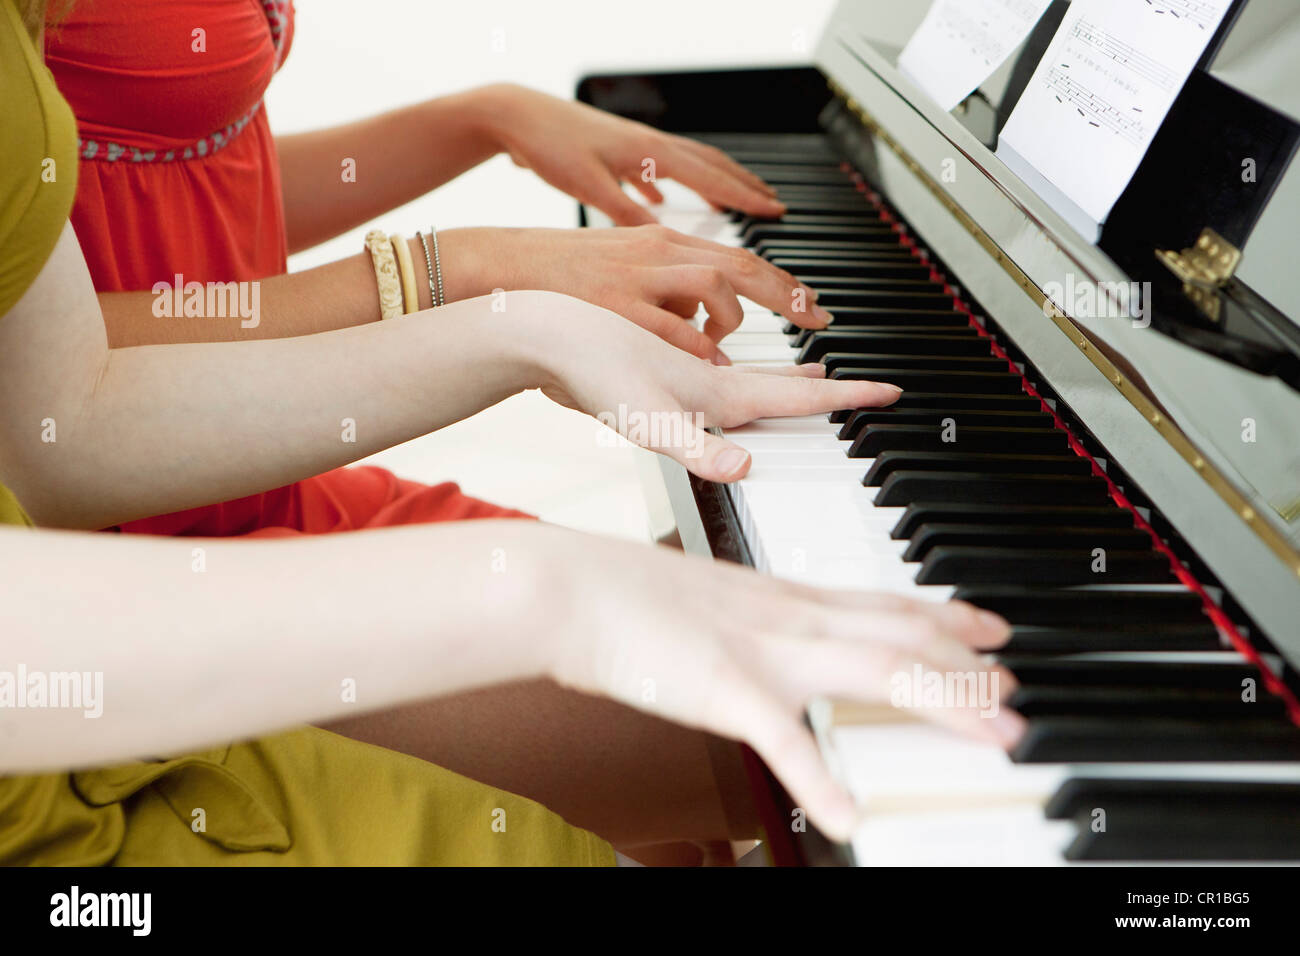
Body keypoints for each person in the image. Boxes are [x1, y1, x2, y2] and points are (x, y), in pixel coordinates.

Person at [4, 0, 1023, 865]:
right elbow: (58, 407)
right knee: (779, 727)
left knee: (715, 754)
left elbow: (169, 178)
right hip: (127, 572)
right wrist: (473, 280)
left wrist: (478, 131)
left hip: (234, 483)